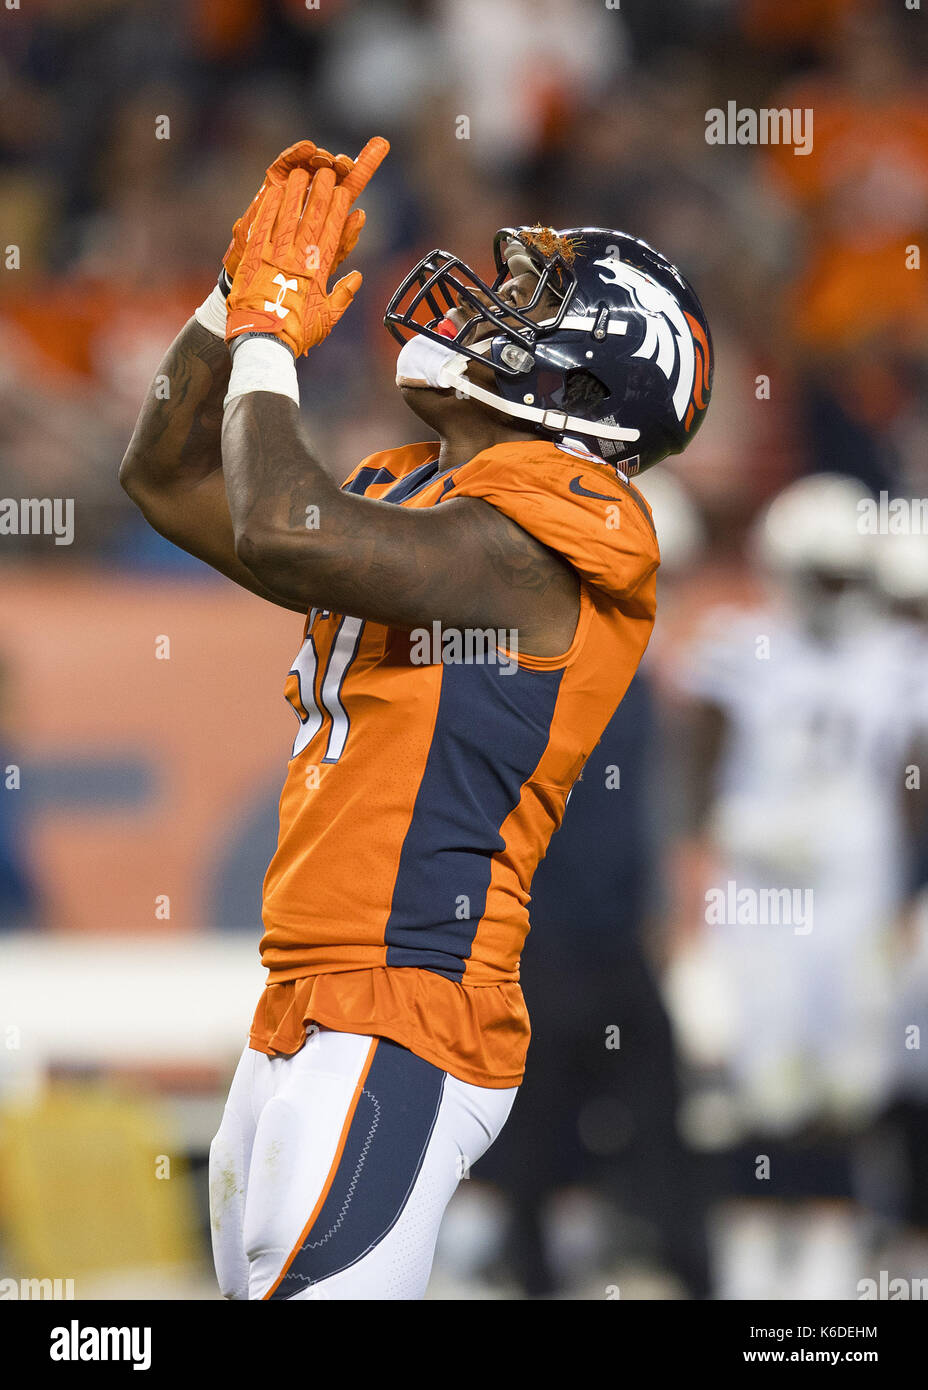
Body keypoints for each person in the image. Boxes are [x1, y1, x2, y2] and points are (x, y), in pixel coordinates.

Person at [119, 137, 713, 1299]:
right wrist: (227, 303)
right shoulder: (427, 496)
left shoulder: (576, 524)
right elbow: (166, 478)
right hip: (303, 998)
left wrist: (269, 345)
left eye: (531, 308)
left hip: (409, 1002)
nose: (488, 312)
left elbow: (286, 524)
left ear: (587, 380)